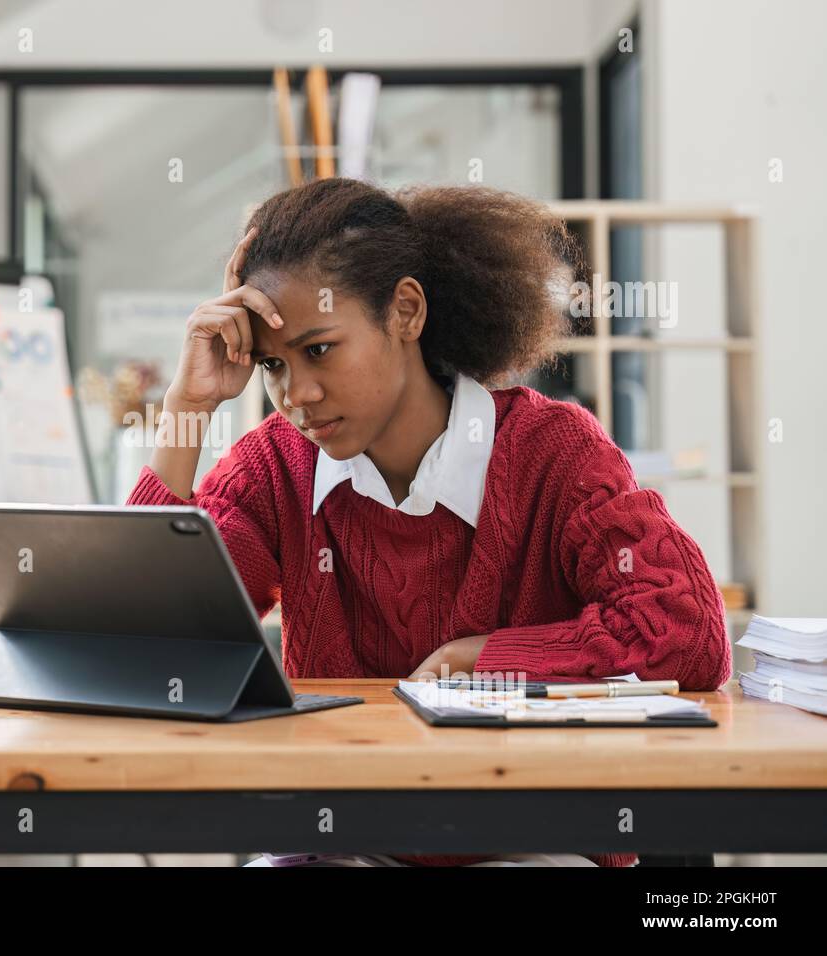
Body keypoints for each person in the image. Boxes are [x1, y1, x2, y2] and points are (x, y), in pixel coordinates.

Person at [125, 177, 732, 867]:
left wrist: (483, 660)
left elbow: (688, 636)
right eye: (273, 364)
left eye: (319, 349)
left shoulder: (556, 453)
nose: (297, 395)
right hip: (346, 839)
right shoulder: (274, 467)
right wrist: (187, 406)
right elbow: (152, 645)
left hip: (530, 841)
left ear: (405, 312)